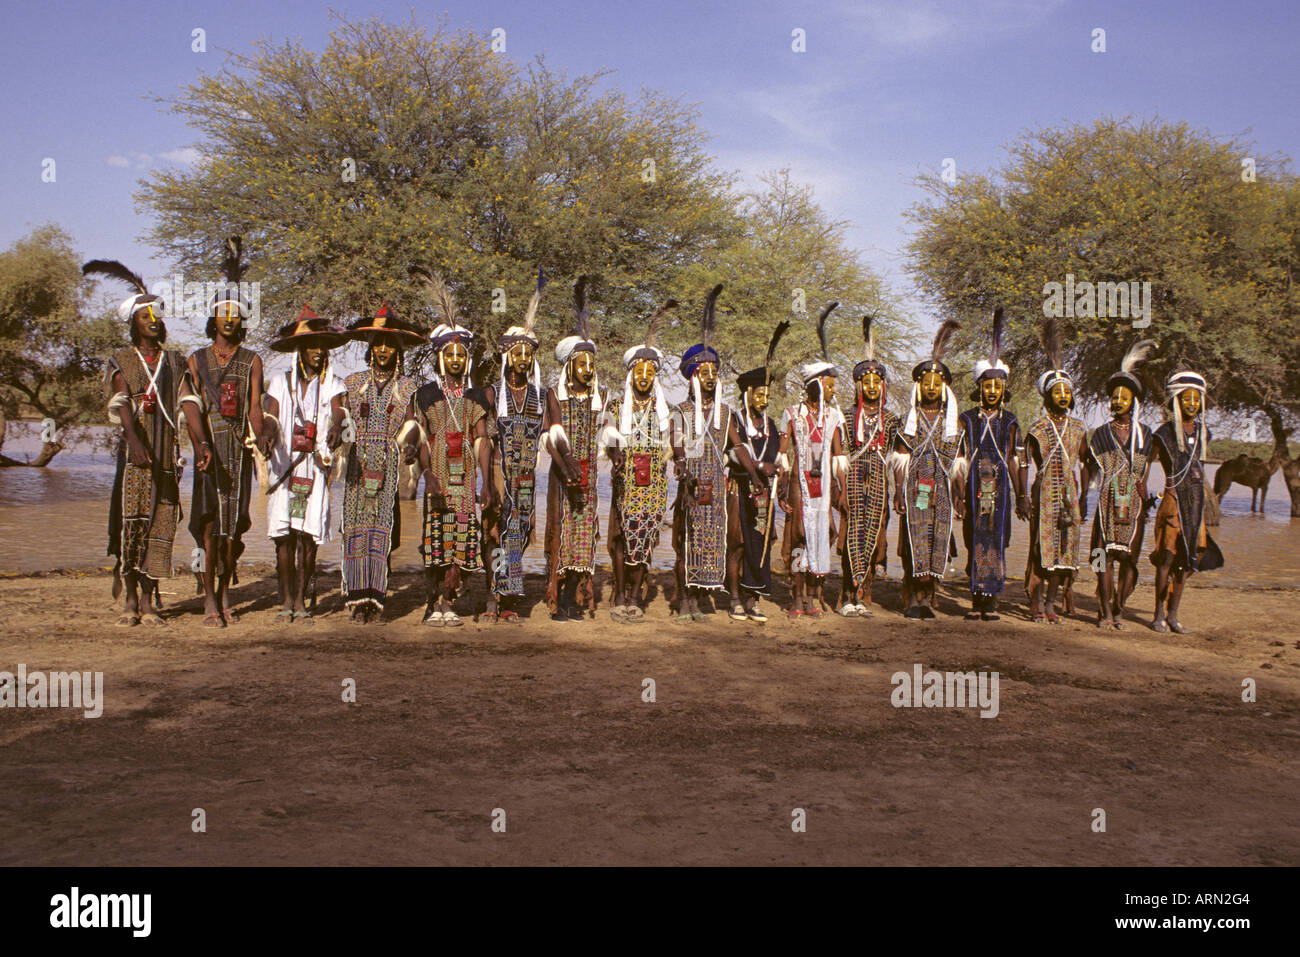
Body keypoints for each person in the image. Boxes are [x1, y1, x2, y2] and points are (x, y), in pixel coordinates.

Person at [87, 257, 206, 627]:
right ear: (133, 323)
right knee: (131, 522)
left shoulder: (174, 361)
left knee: (161, 522)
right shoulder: (122, 359)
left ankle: (152, 599)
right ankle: (131, 600)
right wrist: (133, 440)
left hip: (167, 455)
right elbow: (122, 403)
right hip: (136, 456)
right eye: (145, 316)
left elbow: (189, 402)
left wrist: (199, 442)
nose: (153, 321)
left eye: (156, 315)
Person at [185, 237, 270, 627]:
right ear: (213, 317)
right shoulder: (195, 360)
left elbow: (254, 408)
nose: (230, 319)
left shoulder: (252, 361)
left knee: (234, 529)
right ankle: (207, 599)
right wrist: (199, 445)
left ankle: (224, 592)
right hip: (208, 448)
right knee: (207, 526)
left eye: (237, 314)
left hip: (238, 448)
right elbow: (192, 409)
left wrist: (263, 438)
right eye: (223, 312)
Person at [409, 268, 494, 627]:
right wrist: (428, 474)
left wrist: (487, 482)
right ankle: (433, 603)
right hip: (438, 482)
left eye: (462, 354)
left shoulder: (476, 397)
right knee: (434, 544)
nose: (457, 359)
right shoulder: (425, 395)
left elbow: (481, 440)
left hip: (465, 483)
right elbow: (422, 438)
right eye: (451, 354)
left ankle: (452, 601)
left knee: (461, 541)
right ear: (440, 357)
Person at [262, 306, 347, 624]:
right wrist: (267, 434)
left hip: (314, 469)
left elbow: (339, 411)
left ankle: (301, 601)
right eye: (311, 345)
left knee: (308, 537)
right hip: (285, 469)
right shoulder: (279, 382)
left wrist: (337, 425)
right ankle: (285, 600)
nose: (317, 352)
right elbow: (270, 416)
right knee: (284, 536)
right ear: (299, 350)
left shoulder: (333, 384)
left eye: (321, 346)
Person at [338, 303, 423, 623]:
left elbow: (412, 425)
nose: (384, 350)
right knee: (356, 528)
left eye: (390, 345)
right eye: (379, 345)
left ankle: (376, 597)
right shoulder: (352, 383)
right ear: (371, 350)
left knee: (383, 531)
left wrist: (411, 447)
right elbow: (343, 420)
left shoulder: (407, 387)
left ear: (398, 351)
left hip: (388, 466)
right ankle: (356, 598)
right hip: (358, 466)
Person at [601, 299, 679, 624]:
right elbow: (607, 435)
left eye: (650, 372)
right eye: (639, 372)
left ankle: (635, 597)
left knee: (645, 540)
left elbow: (675, 443)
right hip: (626, 484)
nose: (644, 377)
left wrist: (676, 453)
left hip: (654, 487)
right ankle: (618, 594)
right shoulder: (617, 407)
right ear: (630, 374)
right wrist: (615, 455)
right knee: (621, 538)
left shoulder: (665, 413)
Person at [481, 270, 548, 623]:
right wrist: (488, 483)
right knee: (493, 534)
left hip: (525, 480)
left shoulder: (540, 396)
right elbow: (485, 440)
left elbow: (551, 435)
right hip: (498, 475)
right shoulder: (493, 393)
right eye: (517, 354)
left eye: (528, 354)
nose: (523, 359)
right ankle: (492, 595)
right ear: (508, 357)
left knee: (518, 538)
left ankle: (509, 598)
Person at [890, 320, 966, 620]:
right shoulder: (907, 420)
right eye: (926, 382)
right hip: (915, 491)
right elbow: (900, 458)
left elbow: (959, 464)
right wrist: (898, 491)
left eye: (937, 383)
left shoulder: (954, 424)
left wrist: (959, 497)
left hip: (944, 493)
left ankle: (927, 597)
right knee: (913, 541)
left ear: (944, 388)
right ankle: (911, 597)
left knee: (937, 540)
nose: (931, 387)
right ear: (918, 386)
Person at [543, 277, 607, 621]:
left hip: (590, 478)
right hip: (562, 478)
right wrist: (566, 466)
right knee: (562, 536)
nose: (587, 369)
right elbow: (550, 436)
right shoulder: (554, 395)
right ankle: (559, 597)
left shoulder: (601, 398)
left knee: (584, 539)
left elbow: (609, 431)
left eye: (590, 363)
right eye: (581, 363)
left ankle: (573, 597)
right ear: (569, 366)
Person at [1081, 340, 1157, 630]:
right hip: (1105, 504)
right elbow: (1089, 468)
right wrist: (1083, 498)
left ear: (1133, 401)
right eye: (1113, 397)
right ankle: (1103, 610)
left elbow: (1145, 472)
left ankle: (1119, 606)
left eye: (1123, 397)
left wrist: (1144, 496)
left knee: (1129, 560)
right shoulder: (1099, 434)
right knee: (1101, 557)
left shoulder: (1146, 435)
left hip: (1134, 508)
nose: (1116, 402)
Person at [779, 302, 848, 620]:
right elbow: (783, 455)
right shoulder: (793, 414)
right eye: (829, 384)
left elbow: (840, 458)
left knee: (820, 538)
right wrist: (781, 492)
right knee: (798, 538)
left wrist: (843, 491)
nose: (833, 390)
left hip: (824, 489)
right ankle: (797, 595)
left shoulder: (835, 415)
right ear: (815, 385)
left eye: (834, 385)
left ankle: (816, 596)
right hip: (798, 484)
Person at [1022, 320, 1088, 624]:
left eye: (1066, 391)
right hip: (1044, 493)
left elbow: (1087, 463)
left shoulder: (1078, 428)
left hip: (1070, 495)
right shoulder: (1036, 428)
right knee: (1040, 548)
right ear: (1047, 396)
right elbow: (1024, 463)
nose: (1062, 395)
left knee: (1065, 552)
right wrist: (1024, 496)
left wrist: (1085, 495)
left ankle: (1052, 601)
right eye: (1056, 391)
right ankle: (1035, 602)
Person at [957, 308, 1022, 622]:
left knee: (997, 541)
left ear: (1004, 389)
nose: (993, 390)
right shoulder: (967, 418)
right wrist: (958, 494)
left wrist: (1022, 495)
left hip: (1000, 490)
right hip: (972, 487)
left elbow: (1013, 459)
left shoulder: (1010, 420)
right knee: (974, 540)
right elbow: (959, 457)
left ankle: (992, 602)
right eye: (987, 385)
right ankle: (975, 602)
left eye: (998, 386)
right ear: (979, 387)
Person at [1149, 370, 1224, 633]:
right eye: (1186, 399)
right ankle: (1157, 615)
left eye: (1196, 399)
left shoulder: (1205, 433)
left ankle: (1173, 615)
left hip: (1195, 502)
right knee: (1167, 558)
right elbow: (1144, 464)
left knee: (1189, 559)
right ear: (1176, 402)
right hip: (1172, 500)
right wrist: (1140, 493)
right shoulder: (1164, 433)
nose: (1191, 404)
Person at [724, 320, 788, 623]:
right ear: (747, 394)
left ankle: (754, 598)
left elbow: (776, 455)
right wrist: (758, 468)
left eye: (767, 394)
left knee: (761, 543)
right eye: (759, 394)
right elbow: (737, 453)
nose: (764, 399)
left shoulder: (772, 425)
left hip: (766, 496)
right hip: (740, 491)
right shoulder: (734, 421)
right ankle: (735, 598)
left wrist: (775, 469)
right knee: (737, 543)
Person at [837, 315, 900, 619]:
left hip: (878, 483)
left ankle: (864, 592)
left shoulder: (891, 420)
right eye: (867, 382)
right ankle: (848, 592)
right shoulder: (847, 416)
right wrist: (838, 489)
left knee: (873, 537)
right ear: (859, 385)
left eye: (877, 382)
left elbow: (899, 455)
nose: (872, 386)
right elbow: (839, 454)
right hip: (852, 482)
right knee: (851, 535)